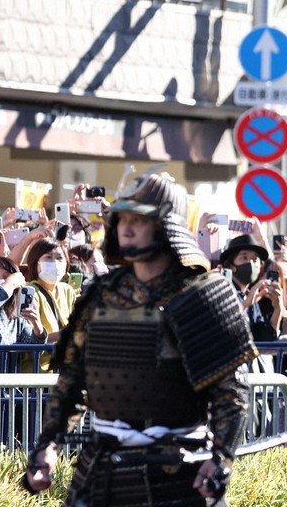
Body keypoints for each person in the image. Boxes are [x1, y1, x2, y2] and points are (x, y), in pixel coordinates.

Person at [24, 171, 256, 506]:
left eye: (140, 220)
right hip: (101, 468)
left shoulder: (204, 295)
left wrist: (221, 458)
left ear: (166, 226)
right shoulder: (102, 293)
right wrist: (48, 445)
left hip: (178, 476)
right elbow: (72, 380)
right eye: (123, 219)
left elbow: (230, 394)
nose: (127, 228)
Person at [22, 237, 76, 372]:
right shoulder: (29, 292)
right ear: (36, 263)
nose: (55, 262)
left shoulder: (67, 290)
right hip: (37, 373)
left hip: (65, 371)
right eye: (48, 257)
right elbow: (27, 338)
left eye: (59, 257)